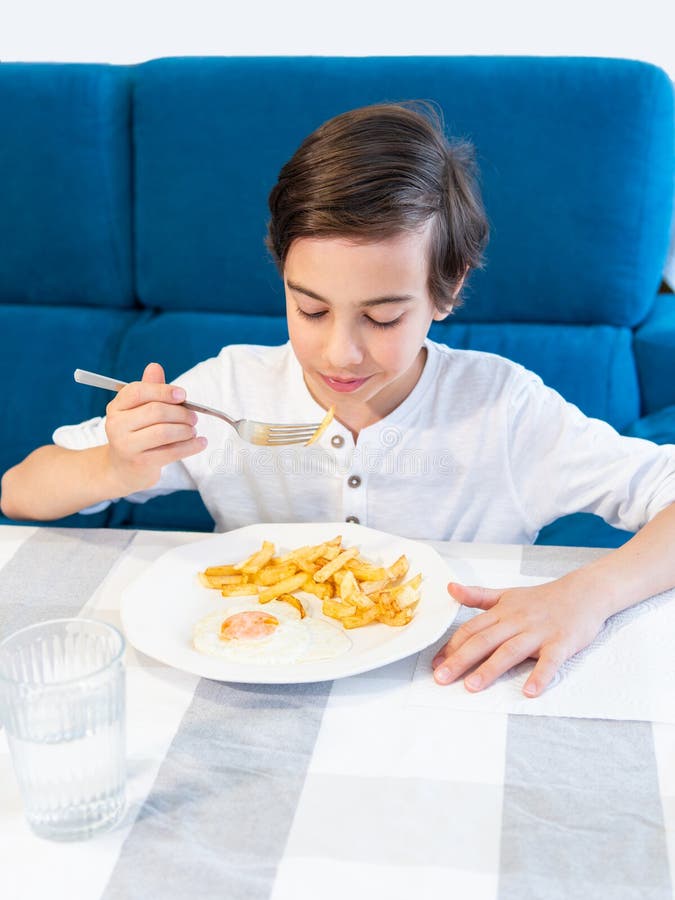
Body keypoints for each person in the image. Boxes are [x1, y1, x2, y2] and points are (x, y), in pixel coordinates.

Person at [2, 102, 675, 698]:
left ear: (447, 289)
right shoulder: (227, 390)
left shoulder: (503, 410)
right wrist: (115, 468)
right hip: (245, 689)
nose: (338, 354)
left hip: (445, 690)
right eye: (310, 308)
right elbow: (18, 493)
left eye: (381, 318)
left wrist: (589, 593)